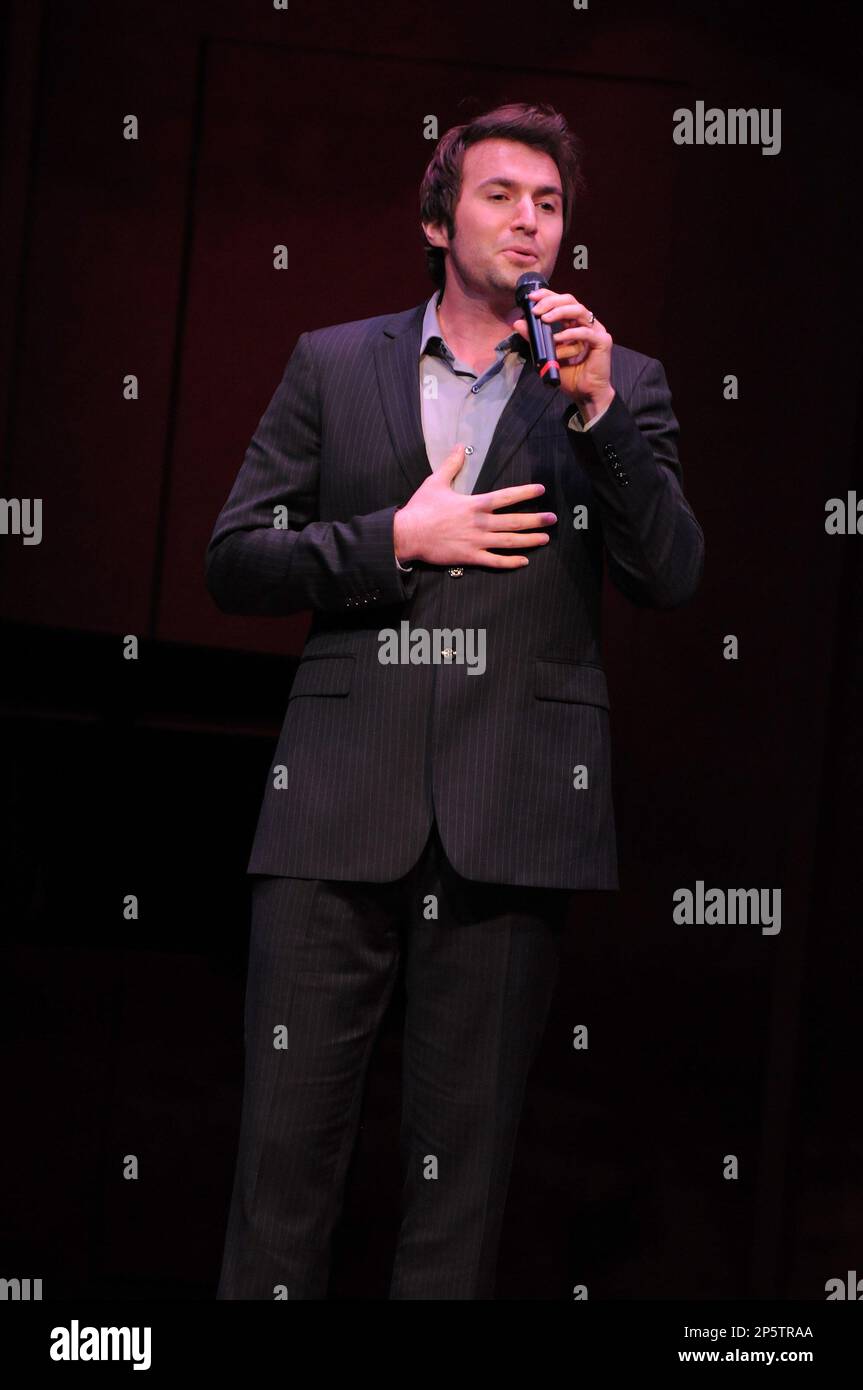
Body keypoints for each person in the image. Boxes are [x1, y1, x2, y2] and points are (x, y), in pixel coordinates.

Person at [206, 101, 704, 1300]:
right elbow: (234, 559)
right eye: (498, 195)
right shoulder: (335, 361)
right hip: (335, 808)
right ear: (438, 219)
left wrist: (593, 414)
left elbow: (672, 575)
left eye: (548, 204)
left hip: (512, 816)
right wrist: (394, 538)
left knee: (458, 1189)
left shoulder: (616, 382)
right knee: (280, 1167)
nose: (527, 221)